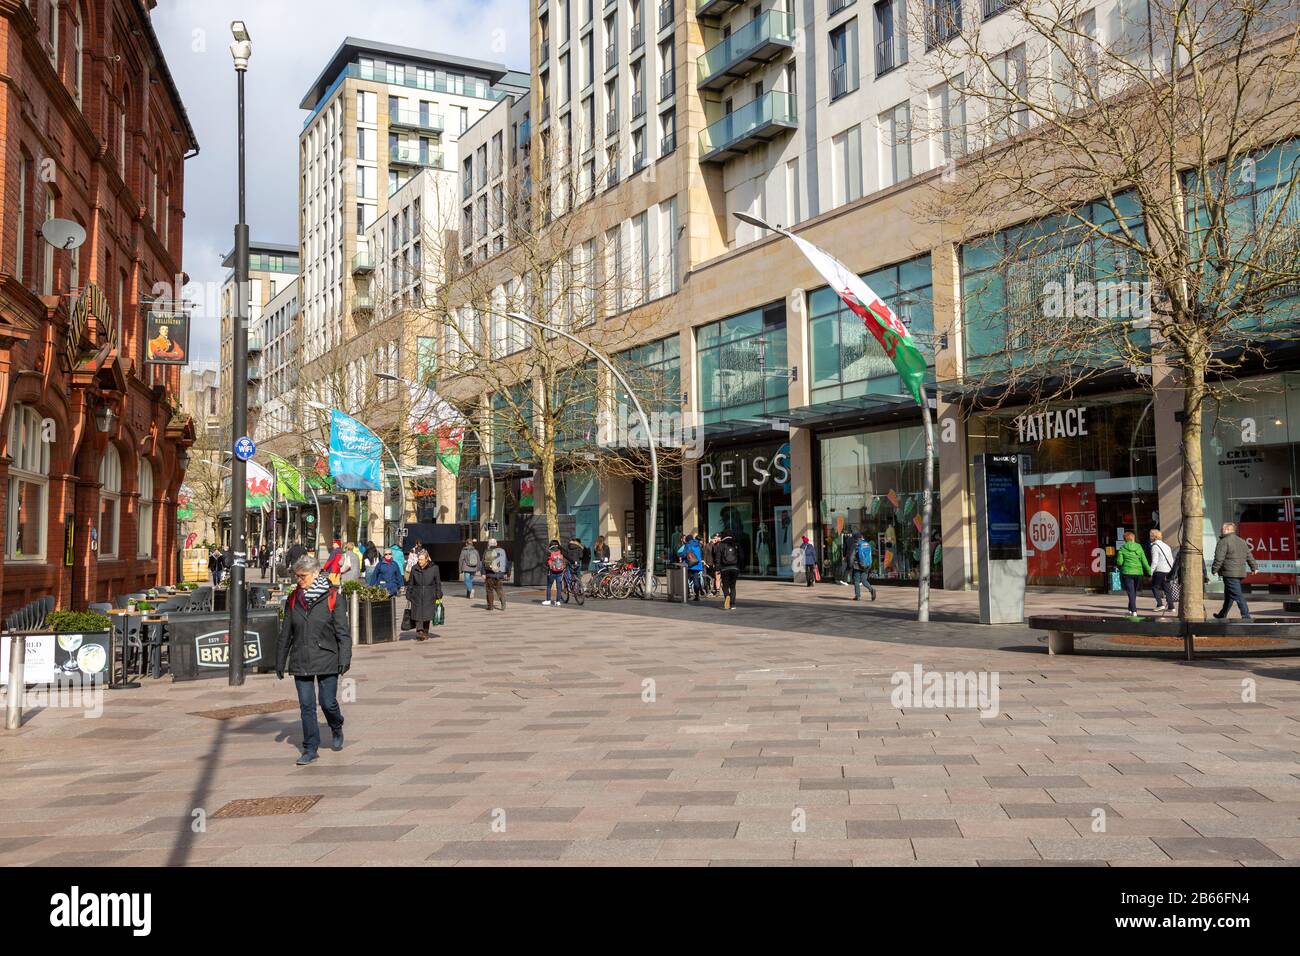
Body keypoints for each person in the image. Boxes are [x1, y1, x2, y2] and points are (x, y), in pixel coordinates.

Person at [276, 554, 350, 766]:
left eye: (303, 576)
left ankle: (336, 726)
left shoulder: (332, 596)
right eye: (297, 576)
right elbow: (286, 632)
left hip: (327, 657)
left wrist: (345, 657)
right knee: (306, 706)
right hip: (301, 657)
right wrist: (280, 660)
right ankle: (310, 748)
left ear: (316, 574)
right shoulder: (293, 598)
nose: (299, 580)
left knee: (327, 702)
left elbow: (342, 632)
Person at [1211, 521, 1258, 620]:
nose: (1221, 530)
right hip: (1239, 572)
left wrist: (1214, 569)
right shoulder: (1241, 541)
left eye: (1222, 529)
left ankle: (1246, 616)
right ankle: (1222, 615)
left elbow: (1219, 558)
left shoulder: (1223, 541)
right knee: (1229, 596)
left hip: (1229, 573)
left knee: (1237, 595)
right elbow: (1249, 555)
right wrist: (1254, 567)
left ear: (1227, 529)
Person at [405, 548, 444, 640]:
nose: (419, 561)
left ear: (427, 559)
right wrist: (408, 593)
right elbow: (411, 582)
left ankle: (425, 632)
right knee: (418, 614)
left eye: (421, 559)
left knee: (427, 615)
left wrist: (439, 593)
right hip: (416, 594)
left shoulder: (434, 568)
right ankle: (419, 631)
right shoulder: (414, 568)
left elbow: (438, 582)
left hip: (429, 594)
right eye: (419, 559)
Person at [1115, 530, 1152, 617]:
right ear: (1133, 538)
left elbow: (1119, 562)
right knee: (1133, 591)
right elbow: (1144, 561)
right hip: (1138, 573)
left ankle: (1134, 610)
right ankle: (1130, 609)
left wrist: (1120, 564)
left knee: (1131, 592)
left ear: (1125, 539)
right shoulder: (1139, 547)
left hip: (1127, 572)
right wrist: (1149, 572)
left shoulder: (1122, 548)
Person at [1148, 529, 1176, 614]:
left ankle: (1160, 604)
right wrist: (1171, 570)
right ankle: (1171, 606)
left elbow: (1155, 561)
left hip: (1159, 570)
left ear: (1153, 536)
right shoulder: (1166, 546)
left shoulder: (1155, 546)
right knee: (1167, 589)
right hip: (1167, 570)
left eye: (1150, 535)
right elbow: (1171, 559)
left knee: (1154, 587)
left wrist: (1150, 572)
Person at [715, 531, 741, 610]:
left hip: (724, 568)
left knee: (725, 586)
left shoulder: (721, 545)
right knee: (733, 586)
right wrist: (739, 566)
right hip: (735, 568)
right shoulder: (736, 544)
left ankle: (727, 597)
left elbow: (718, 558)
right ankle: (733, 604)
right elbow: (741, 556)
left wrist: (717, 569)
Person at [849, 531, 877, 601]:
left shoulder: (855, 545)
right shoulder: (867, 544)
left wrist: (850, 564)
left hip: (857, 566)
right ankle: (871, 589)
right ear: (861, 537)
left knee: (856, 581)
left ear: (855, 538)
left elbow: (851, 556)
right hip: (866, 565)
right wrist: (869, 565)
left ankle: (857, 596)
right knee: (864, 580)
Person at [483, 537, 508, 610]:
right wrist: (507, 573)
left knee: (489, 590)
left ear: (489, 544)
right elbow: (506, 563)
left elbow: (483, 563)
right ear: (496, 544)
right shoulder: (502, 551)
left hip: (489, 574)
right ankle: (503, 602)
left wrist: (483, 573)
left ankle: (490, 606)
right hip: (499, 574)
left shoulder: (487, 551)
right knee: (499, 589)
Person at [543, 539, 567, 607]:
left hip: (552, 572)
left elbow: (545, 562)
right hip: (560, 571)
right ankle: (558, 601)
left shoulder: (549, 551)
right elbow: (566, 556)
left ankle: (548, 600)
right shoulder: (561, 551)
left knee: (549, 586)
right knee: (559, 587)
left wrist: (548, 566)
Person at [682, 533, 705, 601]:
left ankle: (687, 594)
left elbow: (684, 554)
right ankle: (697, 596)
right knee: (696, 581)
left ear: (687, 540)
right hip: (697, 565)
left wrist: (680, 554)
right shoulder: (698, 544)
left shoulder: (688, 545)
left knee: (685, 580)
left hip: (690, 566)